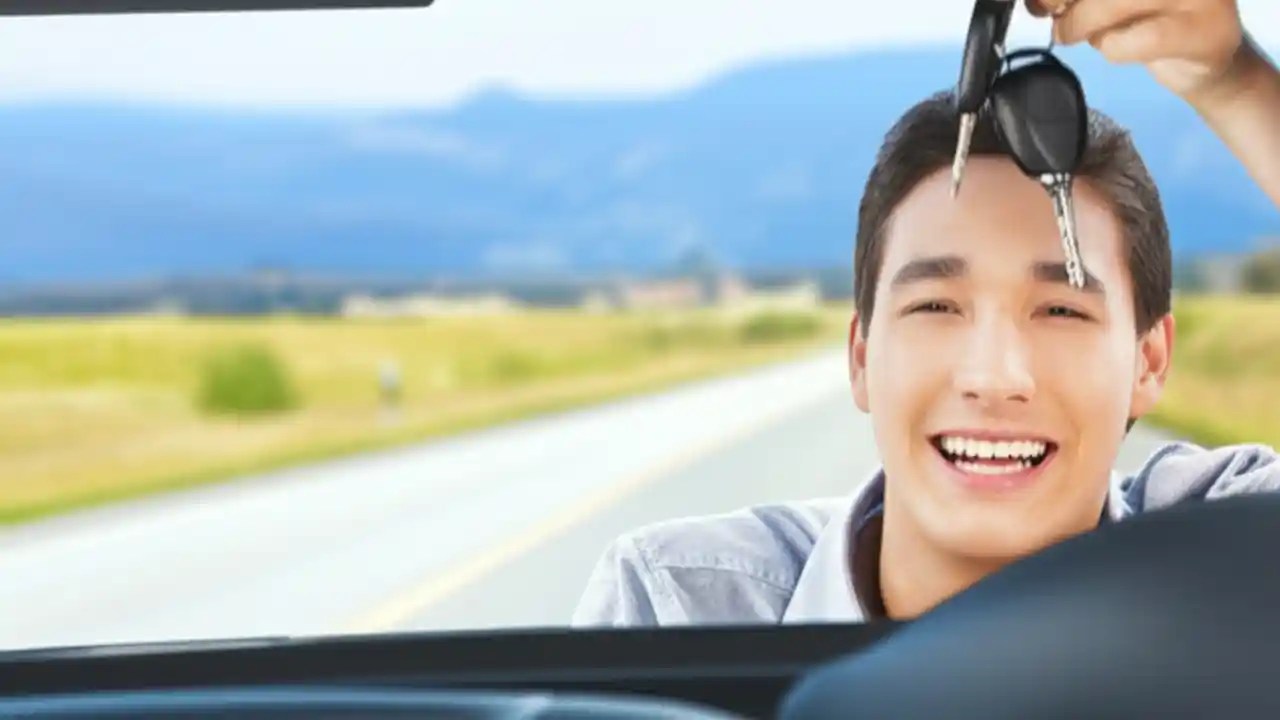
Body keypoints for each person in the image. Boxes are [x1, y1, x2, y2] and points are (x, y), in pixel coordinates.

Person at [571, 0, 1280, 626]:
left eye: (1061, 309)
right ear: (860, 357)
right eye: (937, 305)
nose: (994, 377)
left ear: (1148, 360)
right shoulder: (676, 609)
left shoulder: (1229, 555)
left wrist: (1234, 83)